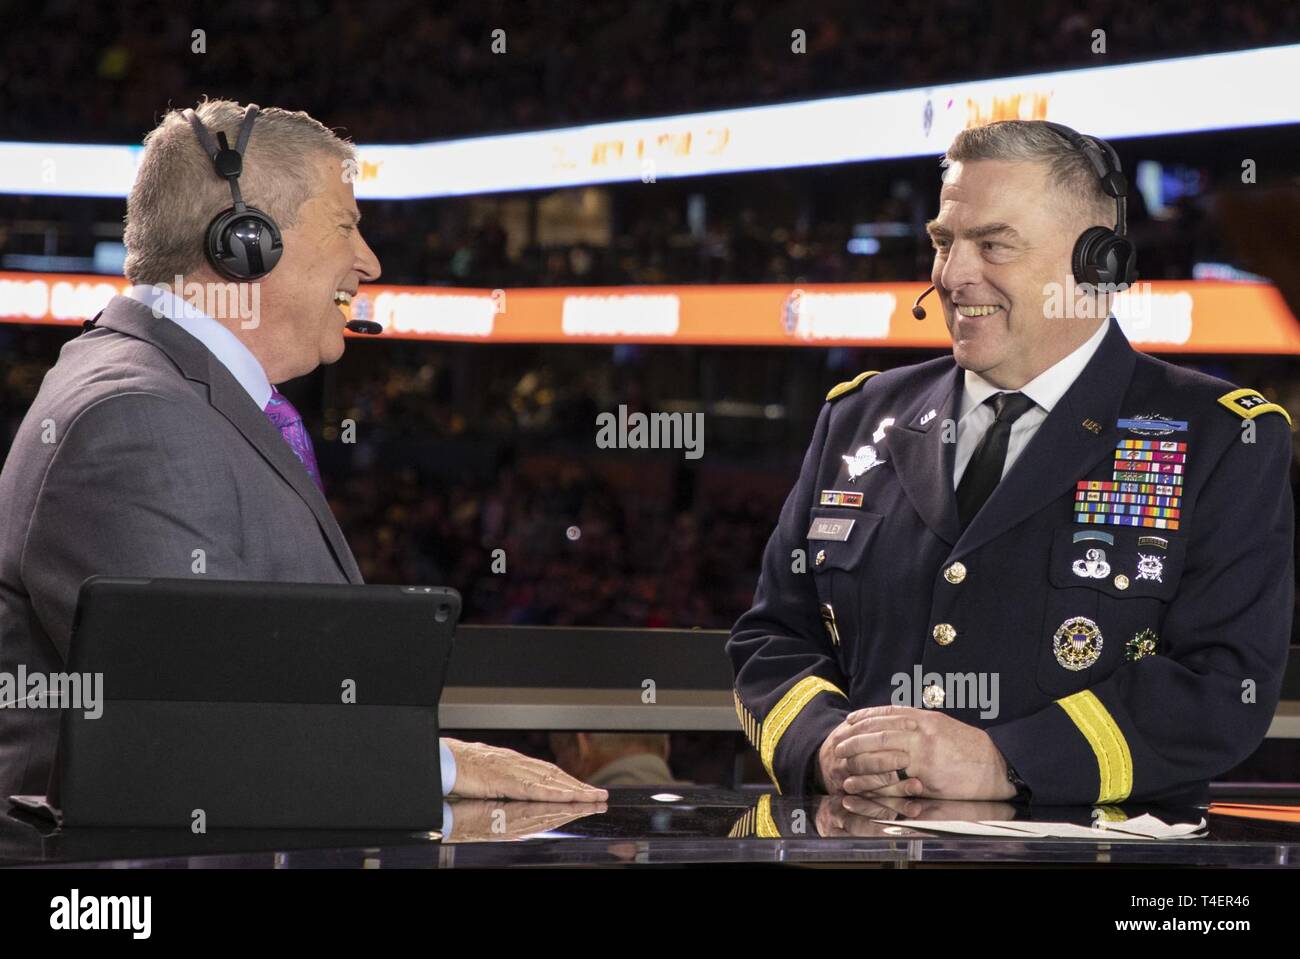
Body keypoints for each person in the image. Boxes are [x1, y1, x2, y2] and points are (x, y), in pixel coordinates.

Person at [0, 99, 605, 806]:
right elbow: (196, 709)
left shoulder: (181, 400)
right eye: (347, 225)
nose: (369, 262)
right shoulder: (134, 417)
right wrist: (433, 766)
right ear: (246, 240)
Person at [728, 120, 1294, 805]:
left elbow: (1220, 684)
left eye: (993, 244)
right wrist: (823, 744)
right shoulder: (858, 416)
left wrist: (1007, 762)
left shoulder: (1221, 439)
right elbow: (775, 634)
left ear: (1097, 266)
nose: (952, 275)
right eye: (943, 241)